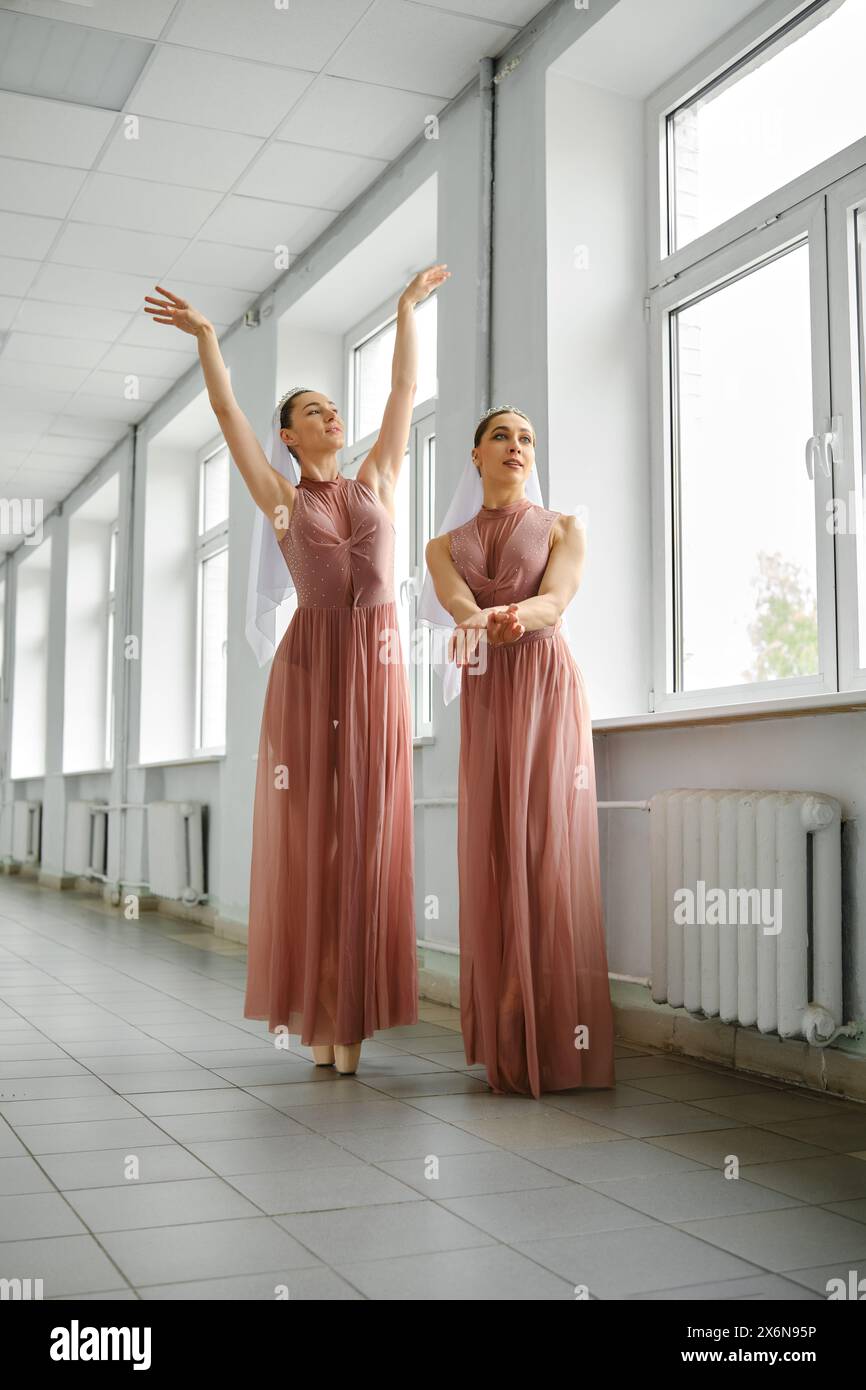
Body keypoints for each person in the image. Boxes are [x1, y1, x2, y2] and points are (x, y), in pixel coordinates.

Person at [144, 266, 449, 1074]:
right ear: (290, 436)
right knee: (318, 838)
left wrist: (407, 309)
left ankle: (350, 1012)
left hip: (378, 665)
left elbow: (406, 386)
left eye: (332, 407)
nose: (331, 414)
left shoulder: (380, 478)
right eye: (313, 411)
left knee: (368, 837)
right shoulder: (280, 497)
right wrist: (210, 338)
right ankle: (321, 1015)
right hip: (312, 668)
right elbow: (225, 413)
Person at [420, 406, 615, 1097]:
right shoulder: (442, 544)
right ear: (475, 455)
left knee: (544, 846)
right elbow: (454, 600)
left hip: (545, 684)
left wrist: (507, 617)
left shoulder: (565, 528)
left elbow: (555, 603)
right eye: (502, 435)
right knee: (496, 846)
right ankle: (507, 1025)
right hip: (489, 694)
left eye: (527, 438)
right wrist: (480, 620)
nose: (516, 445)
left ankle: (553, 1029)